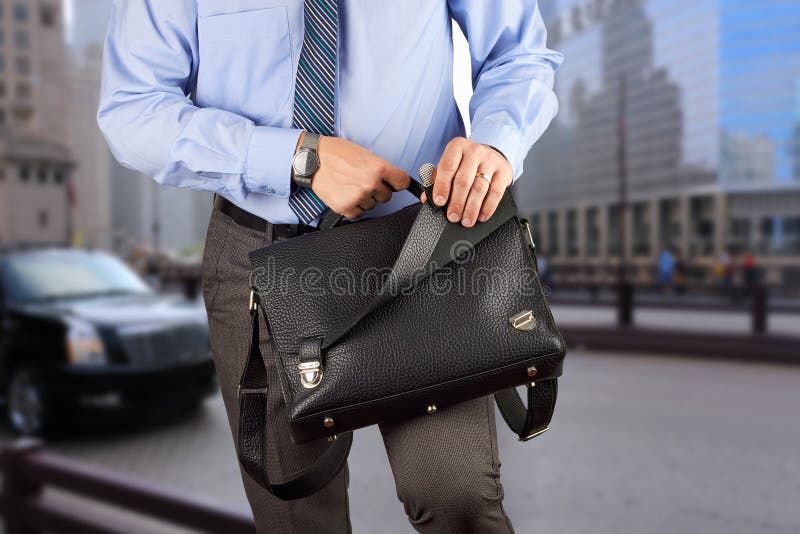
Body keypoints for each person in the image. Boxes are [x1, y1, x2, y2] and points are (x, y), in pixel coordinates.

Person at [98, 1, 562, 532]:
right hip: (261, 256)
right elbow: (132, 108)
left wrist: (496, 143)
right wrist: (296, 157)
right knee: (295, 516)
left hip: (417, 248)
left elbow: (517, 52)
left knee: (457, 497)